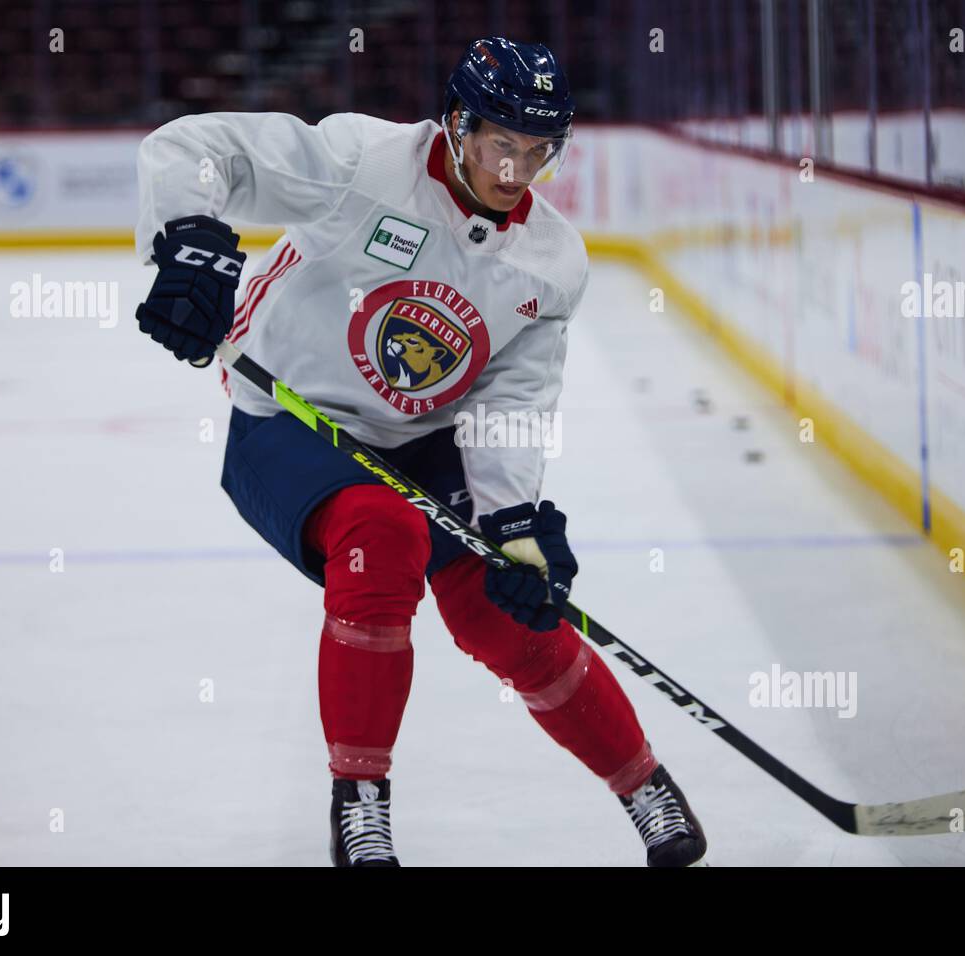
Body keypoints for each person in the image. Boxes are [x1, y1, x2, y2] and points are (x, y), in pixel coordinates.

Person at [133, 36, 707, 867]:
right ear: (456, 125)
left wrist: (514, 522)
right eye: (500, 144)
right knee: (380, 535)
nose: (516, 171)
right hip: (291, 420)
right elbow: (193, 149)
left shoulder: (551, 261)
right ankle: (360, 802)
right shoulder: (362, 163)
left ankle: (642, 782)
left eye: (537, 152)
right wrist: (187, 238)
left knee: (510, 617)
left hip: (426, 439)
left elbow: (512, 397)